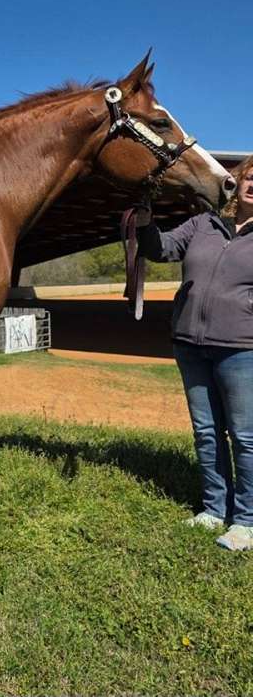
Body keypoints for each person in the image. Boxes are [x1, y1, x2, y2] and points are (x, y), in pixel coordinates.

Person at [137, 154, 253, 550]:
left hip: (241, 348)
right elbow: (163, 248)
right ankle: (213, 509)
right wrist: (144, 223)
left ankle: (246, 520)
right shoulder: (204, 223)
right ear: (236, 182)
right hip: (189, 343)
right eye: (249, 177)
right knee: (206, 432)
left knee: (245, 436)